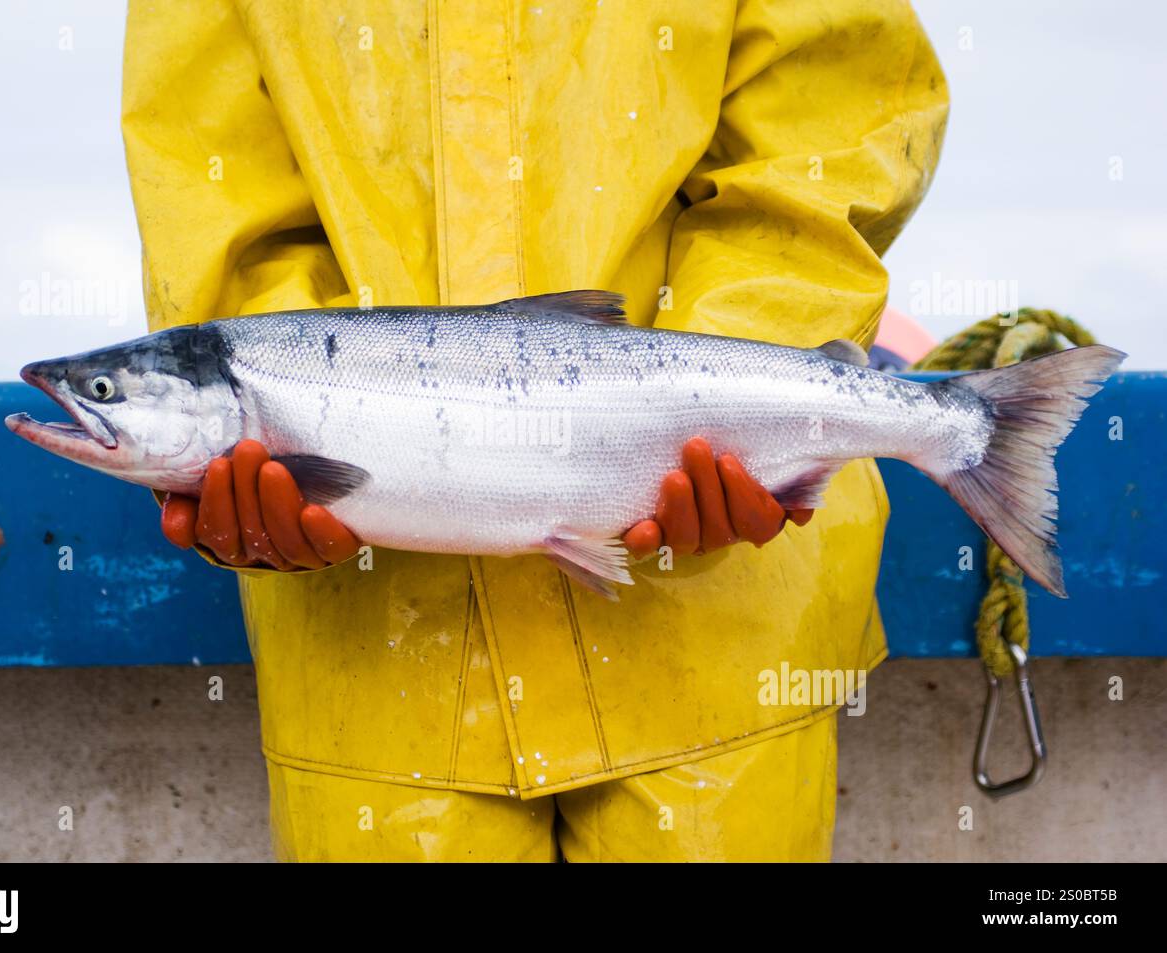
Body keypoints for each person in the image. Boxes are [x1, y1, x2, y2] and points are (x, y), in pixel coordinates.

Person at [122, 0, 948, 861]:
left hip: (723, 640)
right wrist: (264, 473)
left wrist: (734, 406)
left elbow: (832, 127)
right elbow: (212, 189)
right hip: (374, 692)